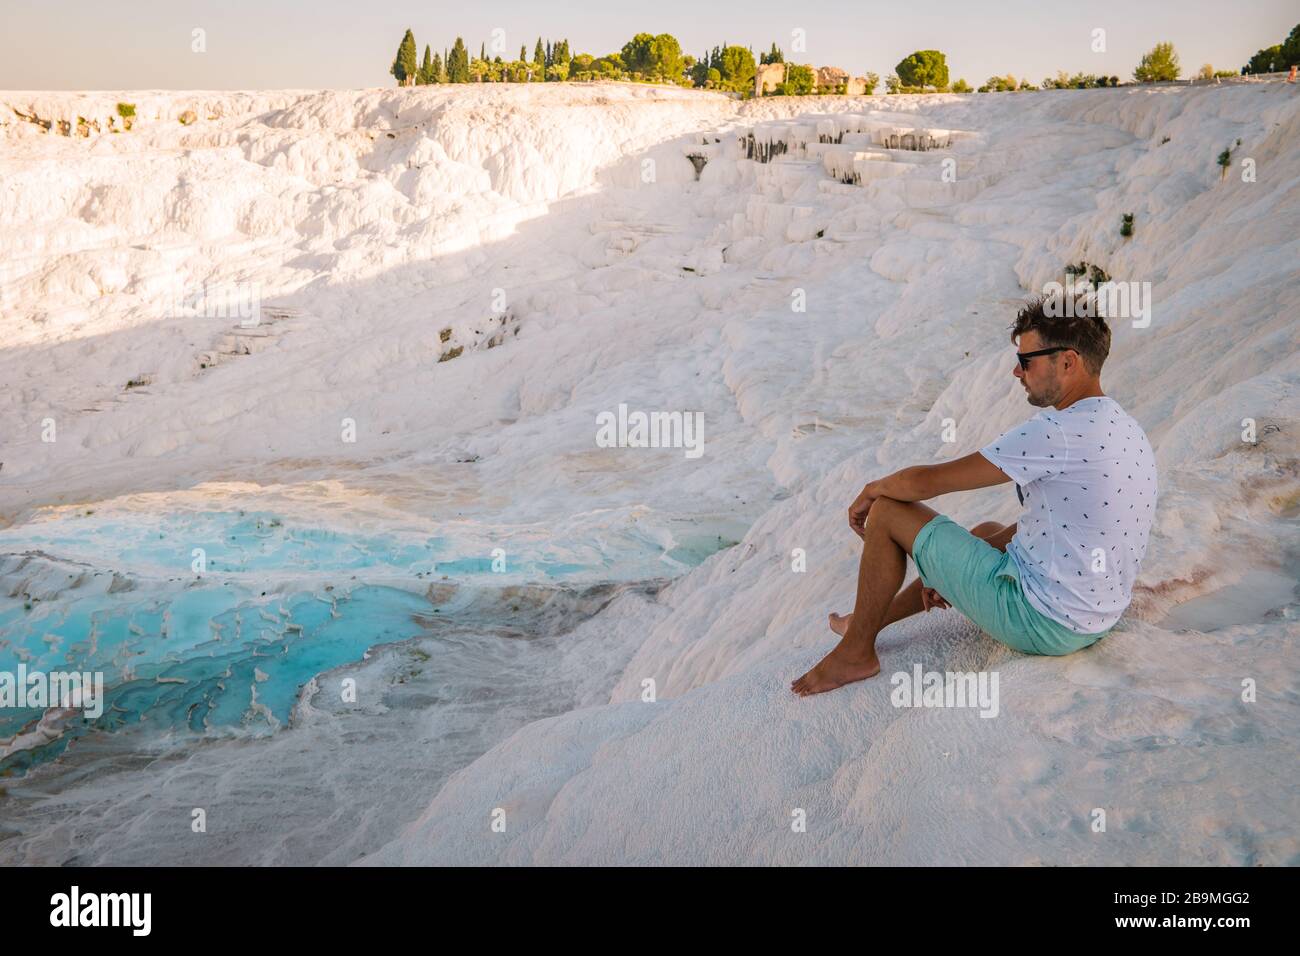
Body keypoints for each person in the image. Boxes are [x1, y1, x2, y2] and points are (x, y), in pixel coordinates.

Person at [792, 295, 1157, 696]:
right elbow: (1066, 525)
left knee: (889, 512)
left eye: (1027, 361)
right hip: (1093, 616)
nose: (1017, 373)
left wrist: (872, 490)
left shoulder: (1058, 431)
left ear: (1068, 362)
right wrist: (949, 573)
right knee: (985, 533)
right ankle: (866, 620)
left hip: (1042, 623)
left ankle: (856, 653)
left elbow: (927, 483)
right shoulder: (1122, 424)